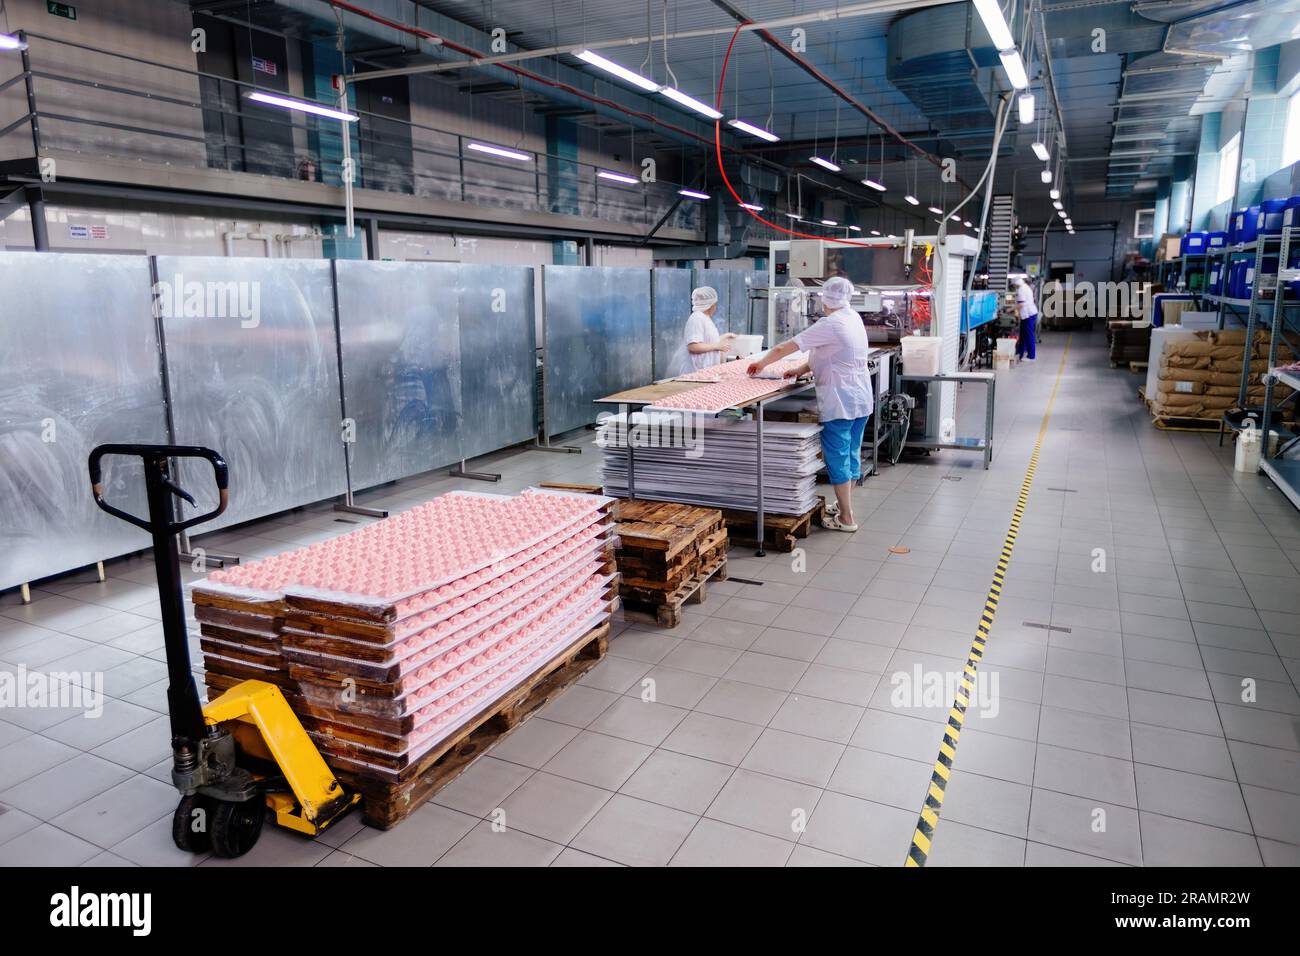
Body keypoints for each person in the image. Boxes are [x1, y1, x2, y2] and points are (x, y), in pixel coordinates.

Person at [747, 276, 872, 532]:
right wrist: (800, 369)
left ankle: (846, 519)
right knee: (851, 453)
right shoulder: (853, 317)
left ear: (826, 300)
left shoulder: (831, 323)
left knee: (837, 458)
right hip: (860, 399)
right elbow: (827, 353)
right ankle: (844, 505)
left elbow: (785, 346)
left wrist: (761, 364)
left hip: (841, 401)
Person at [673, 286, 737, 375]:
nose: (715, 307)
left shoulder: (705, 318)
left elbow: (707, 342)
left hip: (704, 372)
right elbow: (693, 347)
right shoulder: (696, 318)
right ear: (711, 304)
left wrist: (726, 335)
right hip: (694, 373)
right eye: (715, 304)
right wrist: (717, 346)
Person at [1012, 275, 1038, 361]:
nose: (1013, 287)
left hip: (1028, 315)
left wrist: (1010, 309)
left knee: (1029, 335)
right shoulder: (1025, 287)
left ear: (1016, 284)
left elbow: (1021, 304)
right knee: (1023, 335)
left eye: (1013, 285)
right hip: (1028, 314)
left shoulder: (1021, 290)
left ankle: (1031, 356)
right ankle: (1020, 353)